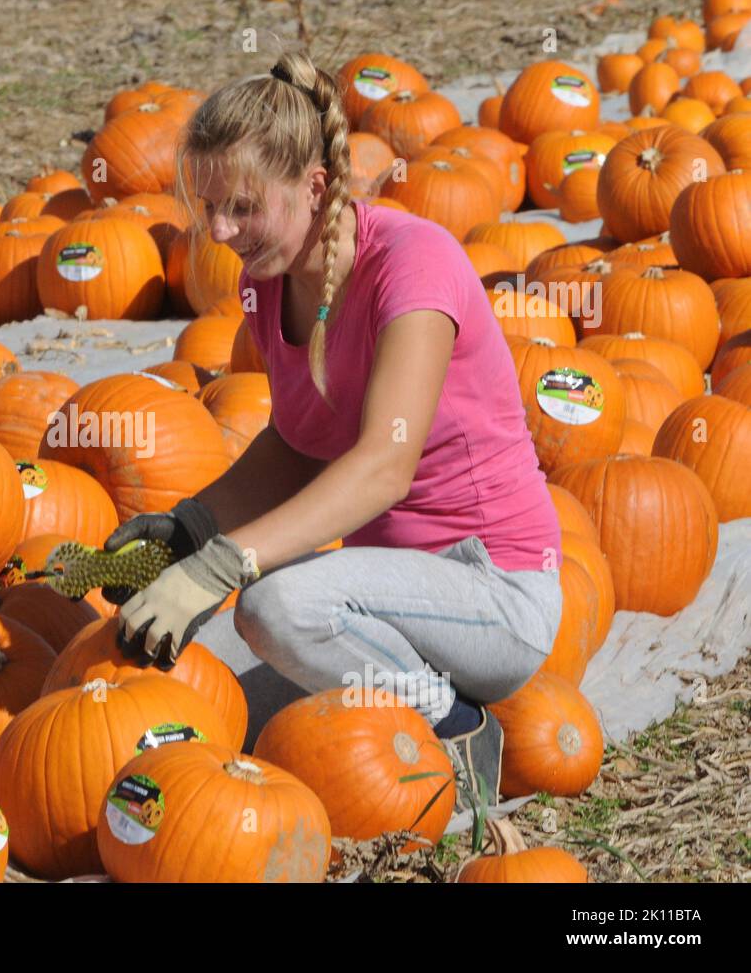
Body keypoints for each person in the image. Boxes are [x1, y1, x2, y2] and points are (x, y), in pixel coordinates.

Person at [106, 50, 564, 808]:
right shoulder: (267, 284)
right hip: (381, 601)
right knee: (196, 684)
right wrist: (188, 532)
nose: (220, 230)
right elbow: (297, 443)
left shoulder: (412, 268)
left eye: (243, 207)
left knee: (272, 607)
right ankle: (405, 699)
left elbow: (384, 467)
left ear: (314, 187)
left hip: (492, 591)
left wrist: (223, 566)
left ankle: (455, 727)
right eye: (210, 208)